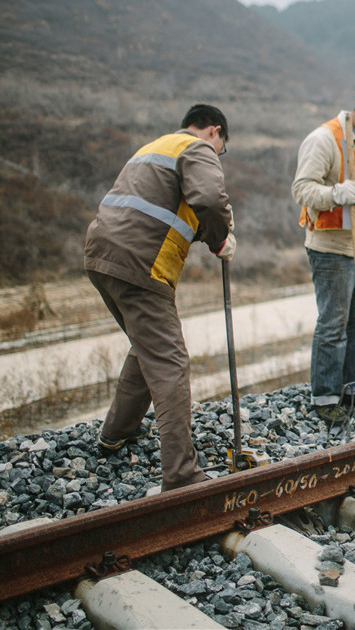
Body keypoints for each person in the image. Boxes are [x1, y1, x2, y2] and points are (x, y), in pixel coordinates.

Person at [84, 103, 235, 491]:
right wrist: (221, 237)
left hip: (102, 255)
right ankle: (183, 476)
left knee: (146, 346)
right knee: (170, 361)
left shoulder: (158, 147)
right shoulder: (198, 148)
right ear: (214, 132)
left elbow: (169, 211)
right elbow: (211, 199)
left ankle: (117, 432)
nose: (218, 156)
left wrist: (209, 237)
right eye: (222, 148)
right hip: (141, 264)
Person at [292, 82, 355, 424]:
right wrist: (335, 194)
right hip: (332, 248)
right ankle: (325, 395)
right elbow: (302, 189)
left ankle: (354, 387)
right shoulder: (324, 139)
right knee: (334, 323)